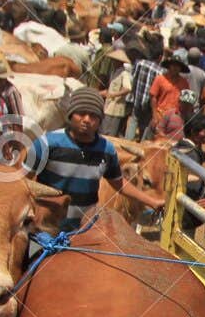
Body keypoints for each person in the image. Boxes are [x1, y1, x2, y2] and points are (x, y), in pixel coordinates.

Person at [24, 88, 163, 228]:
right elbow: (24, 182)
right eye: (81, 113)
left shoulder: (106, 150)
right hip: (46, 226)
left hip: (85, 227)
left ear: (100, 120)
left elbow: (119, 184)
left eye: (93, 116)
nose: (86, 120)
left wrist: (152, 201)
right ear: (70, 114)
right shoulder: (46, 143)